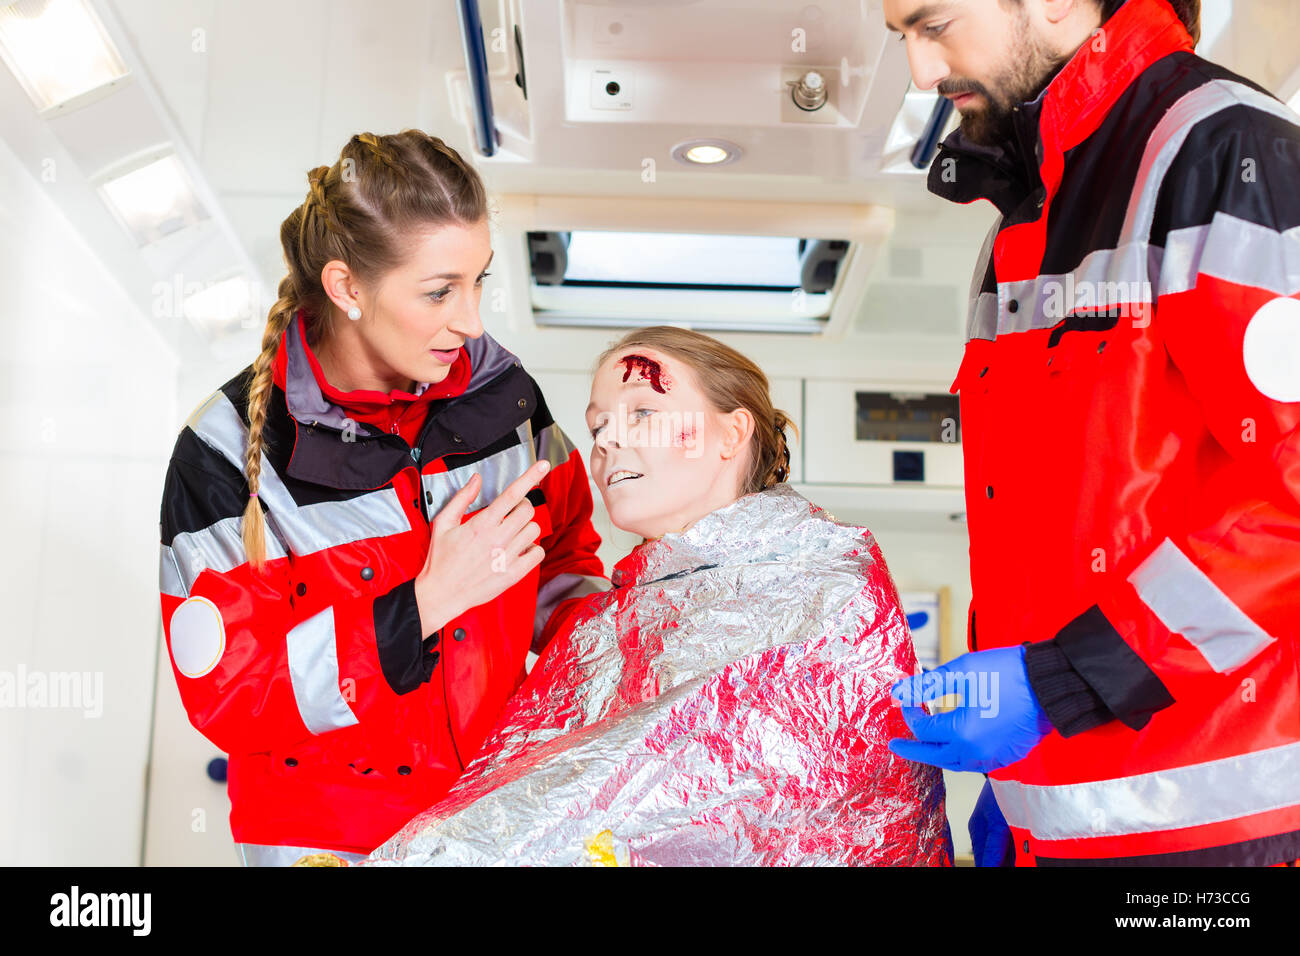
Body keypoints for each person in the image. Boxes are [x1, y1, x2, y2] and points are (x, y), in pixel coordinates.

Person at [883, 0, 1300, 866]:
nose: (920, 74)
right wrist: (1024, 783)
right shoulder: (1015, 227)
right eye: (903, 40)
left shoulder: (1224, 151)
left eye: (933, 25)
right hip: (1056, 822)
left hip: (1223, 828)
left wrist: (1056, 685)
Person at [157, 130, 607, 866]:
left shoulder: (507, 400)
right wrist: (421, 607)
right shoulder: (224, 451)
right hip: (325, 838)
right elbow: (231, 691)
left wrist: (632, 655)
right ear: (347, 288)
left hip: (494, 817)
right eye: (440, 291)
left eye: (478, 281)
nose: (472, 321)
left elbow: (563, 565)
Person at [340, 327, 952, 866]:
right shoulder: (617, 613)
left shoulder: (821, 585)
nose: (605, 441)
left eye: (642, 413)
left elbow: (634, 778)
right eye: (598, 424)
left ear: (731, 432)